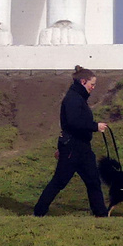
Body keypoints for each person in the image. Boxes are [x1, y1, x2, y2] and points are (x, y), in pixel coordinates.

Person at [32, 65, 109, 217]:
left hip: (83, 148)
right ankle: (38, 212)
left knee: (93, 181)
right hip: (73, 149)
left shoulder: (78, 98)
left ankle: (101, 215)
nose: (93, 88)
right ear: (83, 82)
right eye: (91, 84)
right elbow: (73, 122)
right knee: (59, 181)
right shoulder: (72, 99)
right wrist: (96, 126)